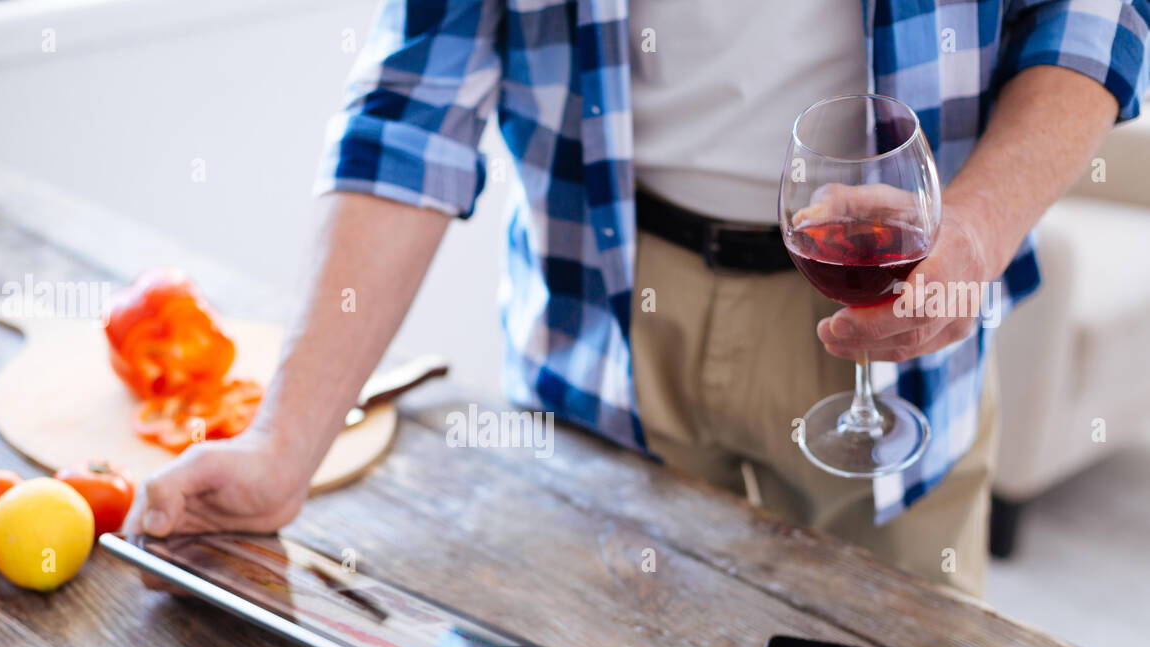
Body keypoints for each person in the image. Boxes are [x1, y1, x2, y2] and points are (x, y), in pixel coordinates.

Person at [124, 0, 1147, 597]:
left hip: (904, 326)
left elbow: (1097, 11)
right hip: (596, 304)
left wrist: (976, 224)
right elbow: (415, 102)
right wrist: (283, 444)